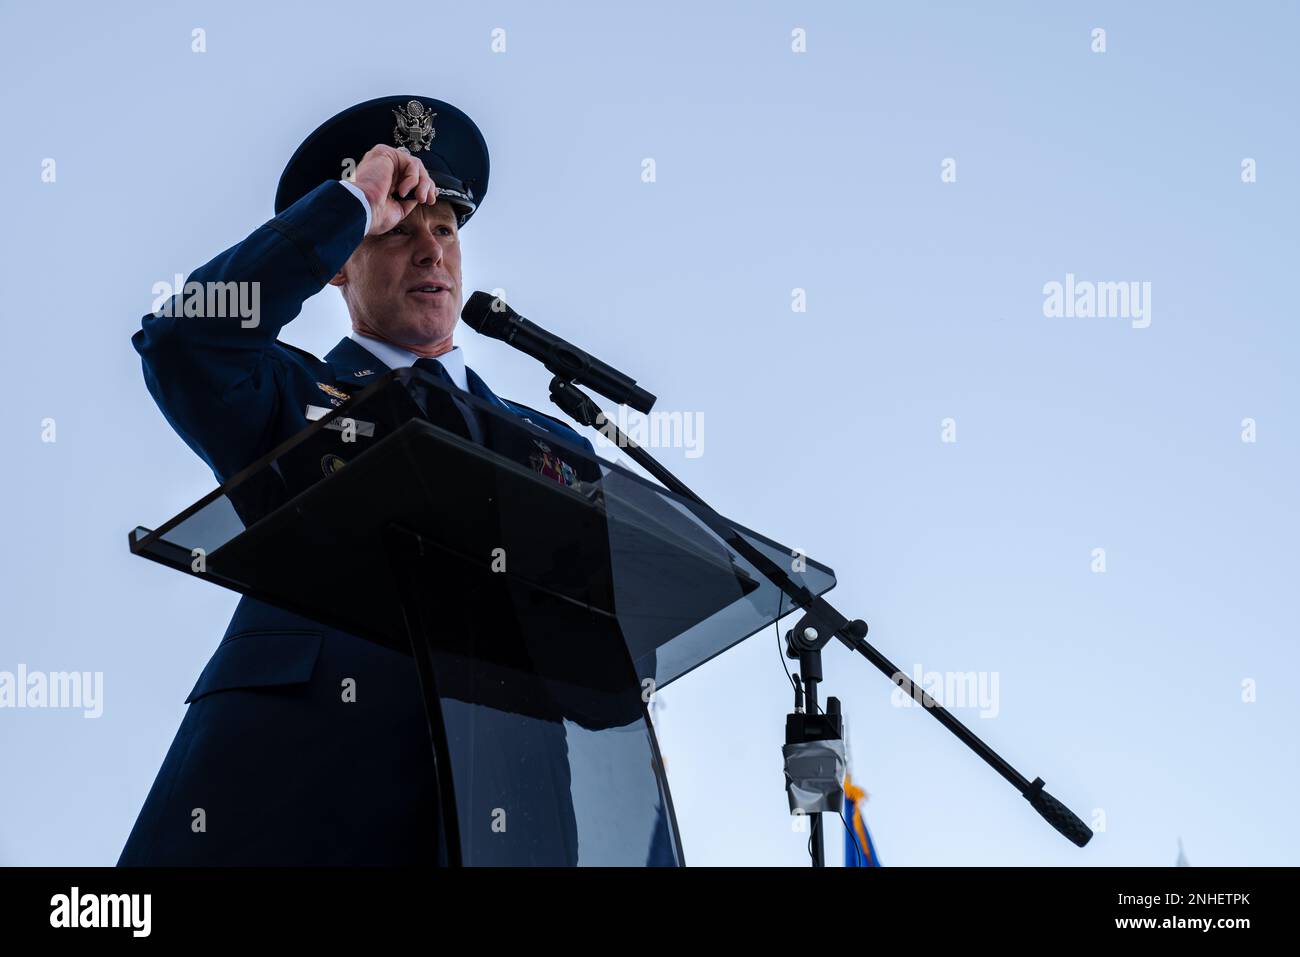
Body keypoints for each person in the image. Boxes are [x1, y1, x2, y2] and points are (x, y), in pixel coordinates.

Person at [119, 95, 628, 865]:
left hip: (504, 811)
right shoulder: (290, 402)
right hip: (294, 799)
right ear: (337, 266)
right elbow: (185, 342)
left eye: (446, 230)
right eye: (398, 229)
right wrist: (355, 201)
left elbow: (614, 650)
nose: (431, 252)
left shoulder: (550, 442)